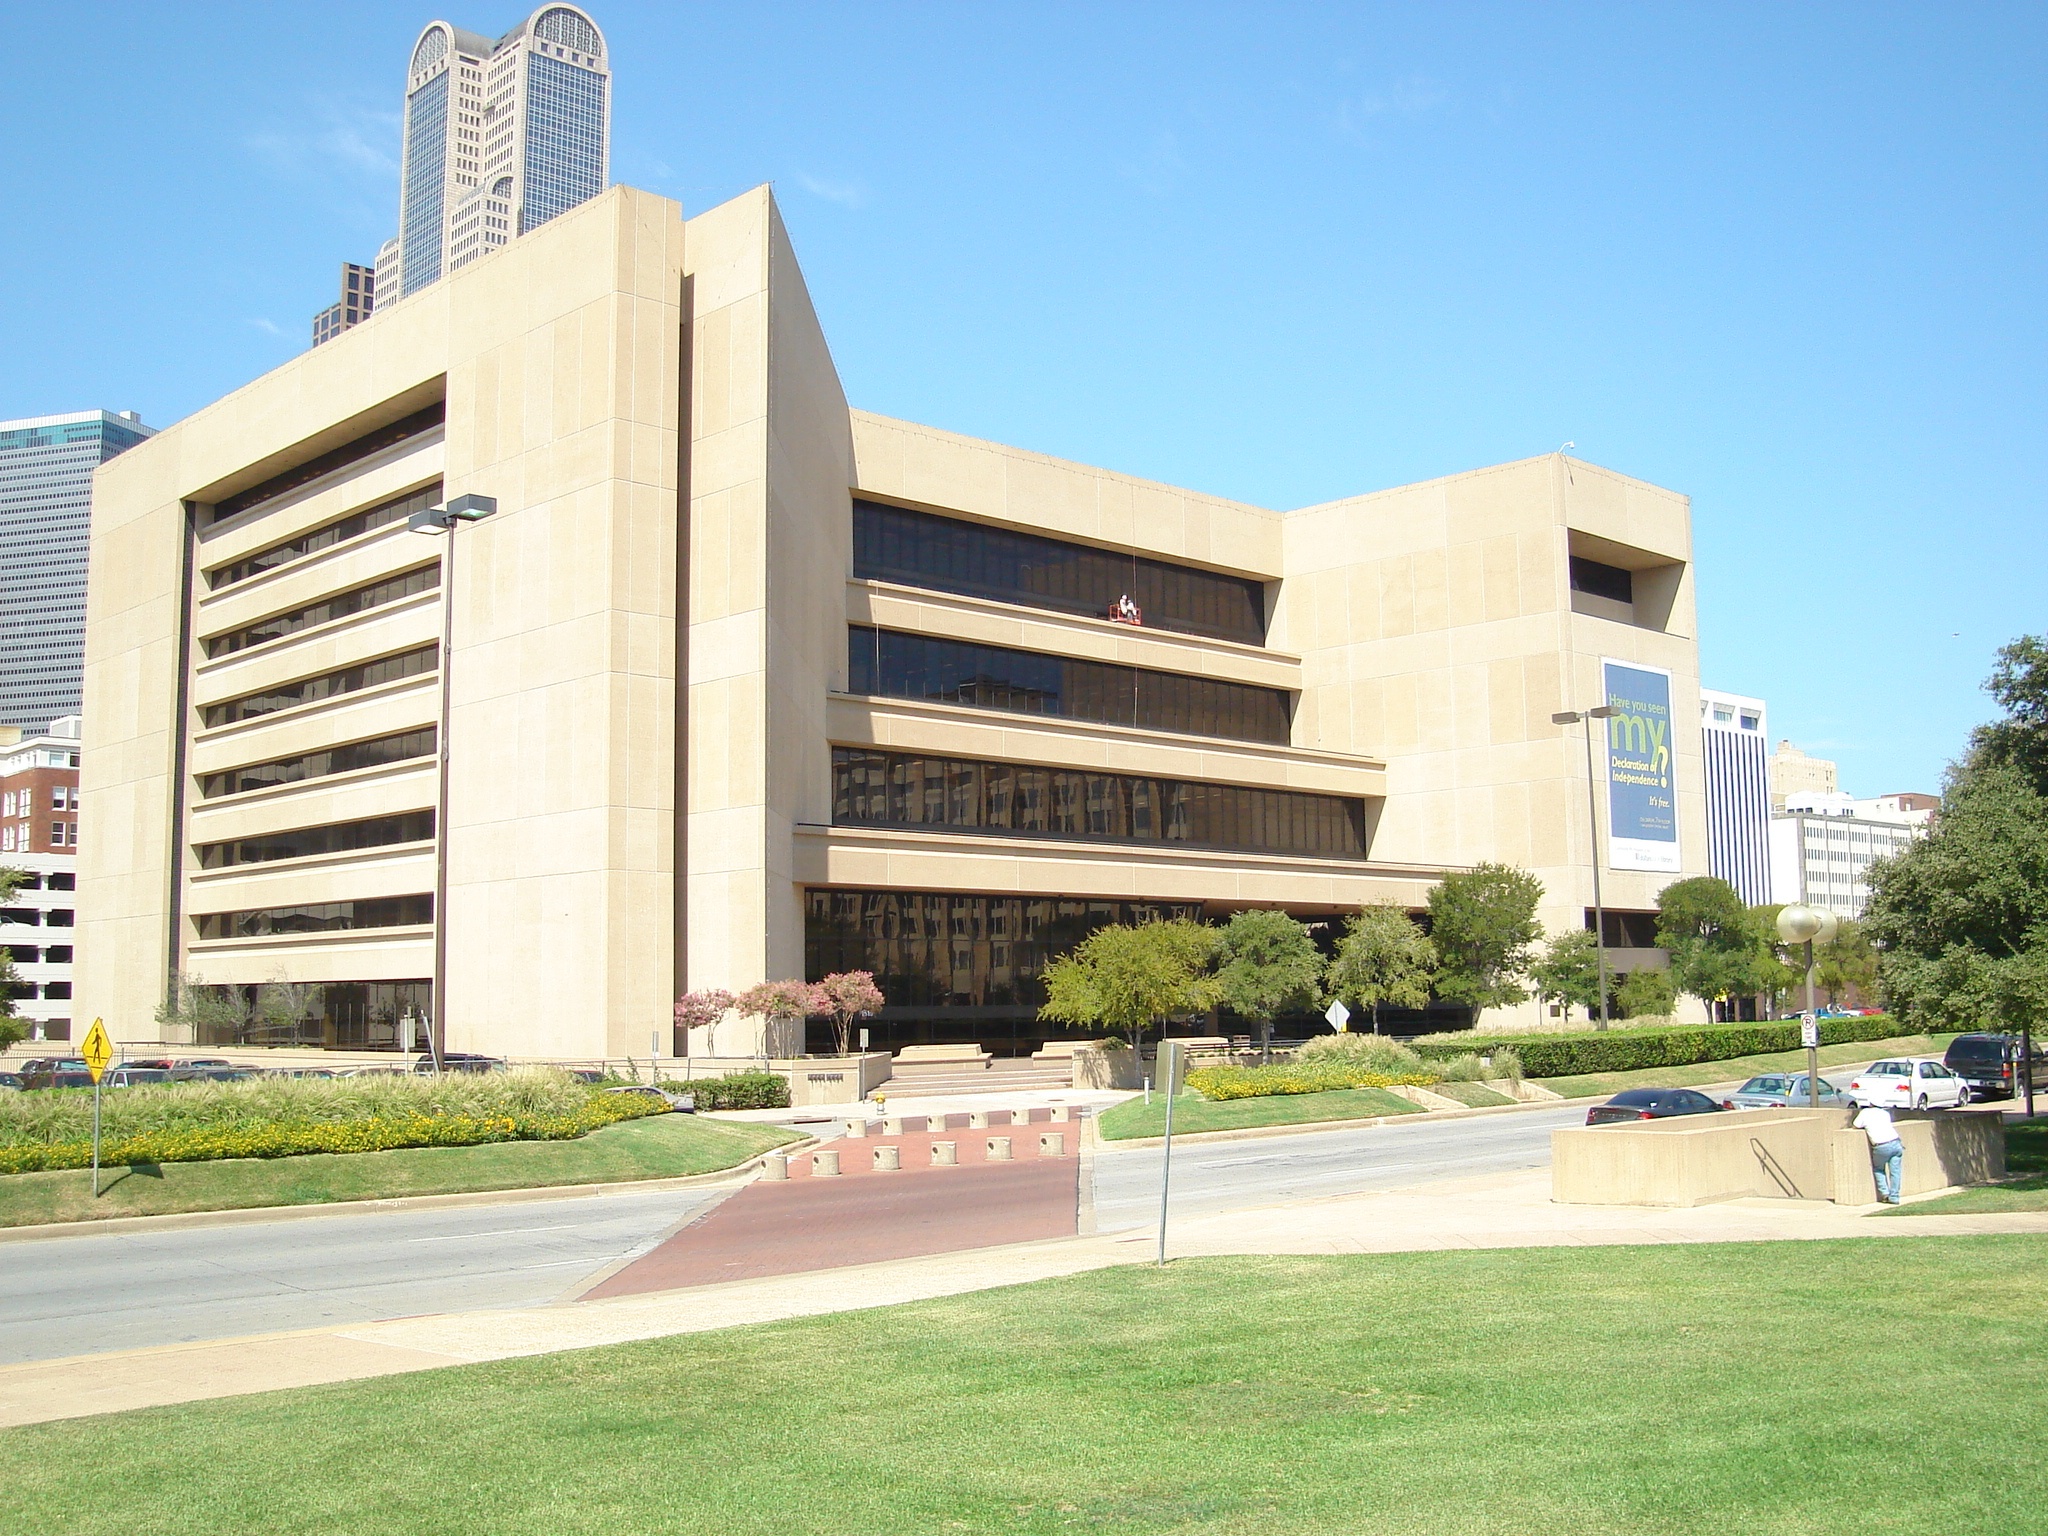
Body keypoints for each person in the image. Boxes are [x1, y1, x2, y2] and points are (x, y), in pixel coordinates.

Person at [1852, 1102, 1905, 1203]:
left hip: (1881, 1145)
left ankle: (1885, 1193)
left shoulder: (1865, 1112)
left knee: (1878, 1169)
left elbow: (1855, 1125)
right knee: (1895, 1172)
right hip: (1895, 1142)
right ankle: (1894, 1197)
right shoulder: (1885, 1113)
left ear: (1871, 1104)